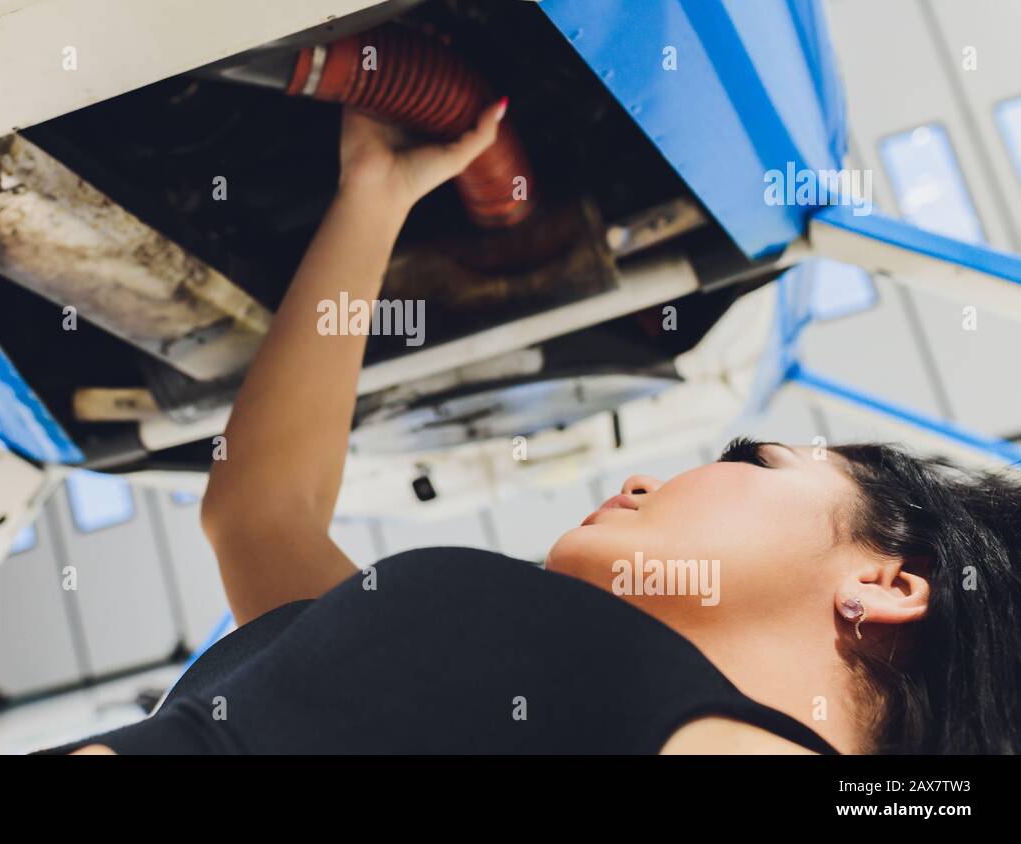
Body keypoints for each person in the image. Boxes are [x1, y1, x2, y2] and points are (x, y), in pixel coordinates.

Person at [56, 101, 1021, 755]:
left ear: (885, 585)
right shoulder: (520, 670)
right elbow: (261, 510)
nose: (647, 481)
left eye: (751, 459)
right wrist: (375, 198)